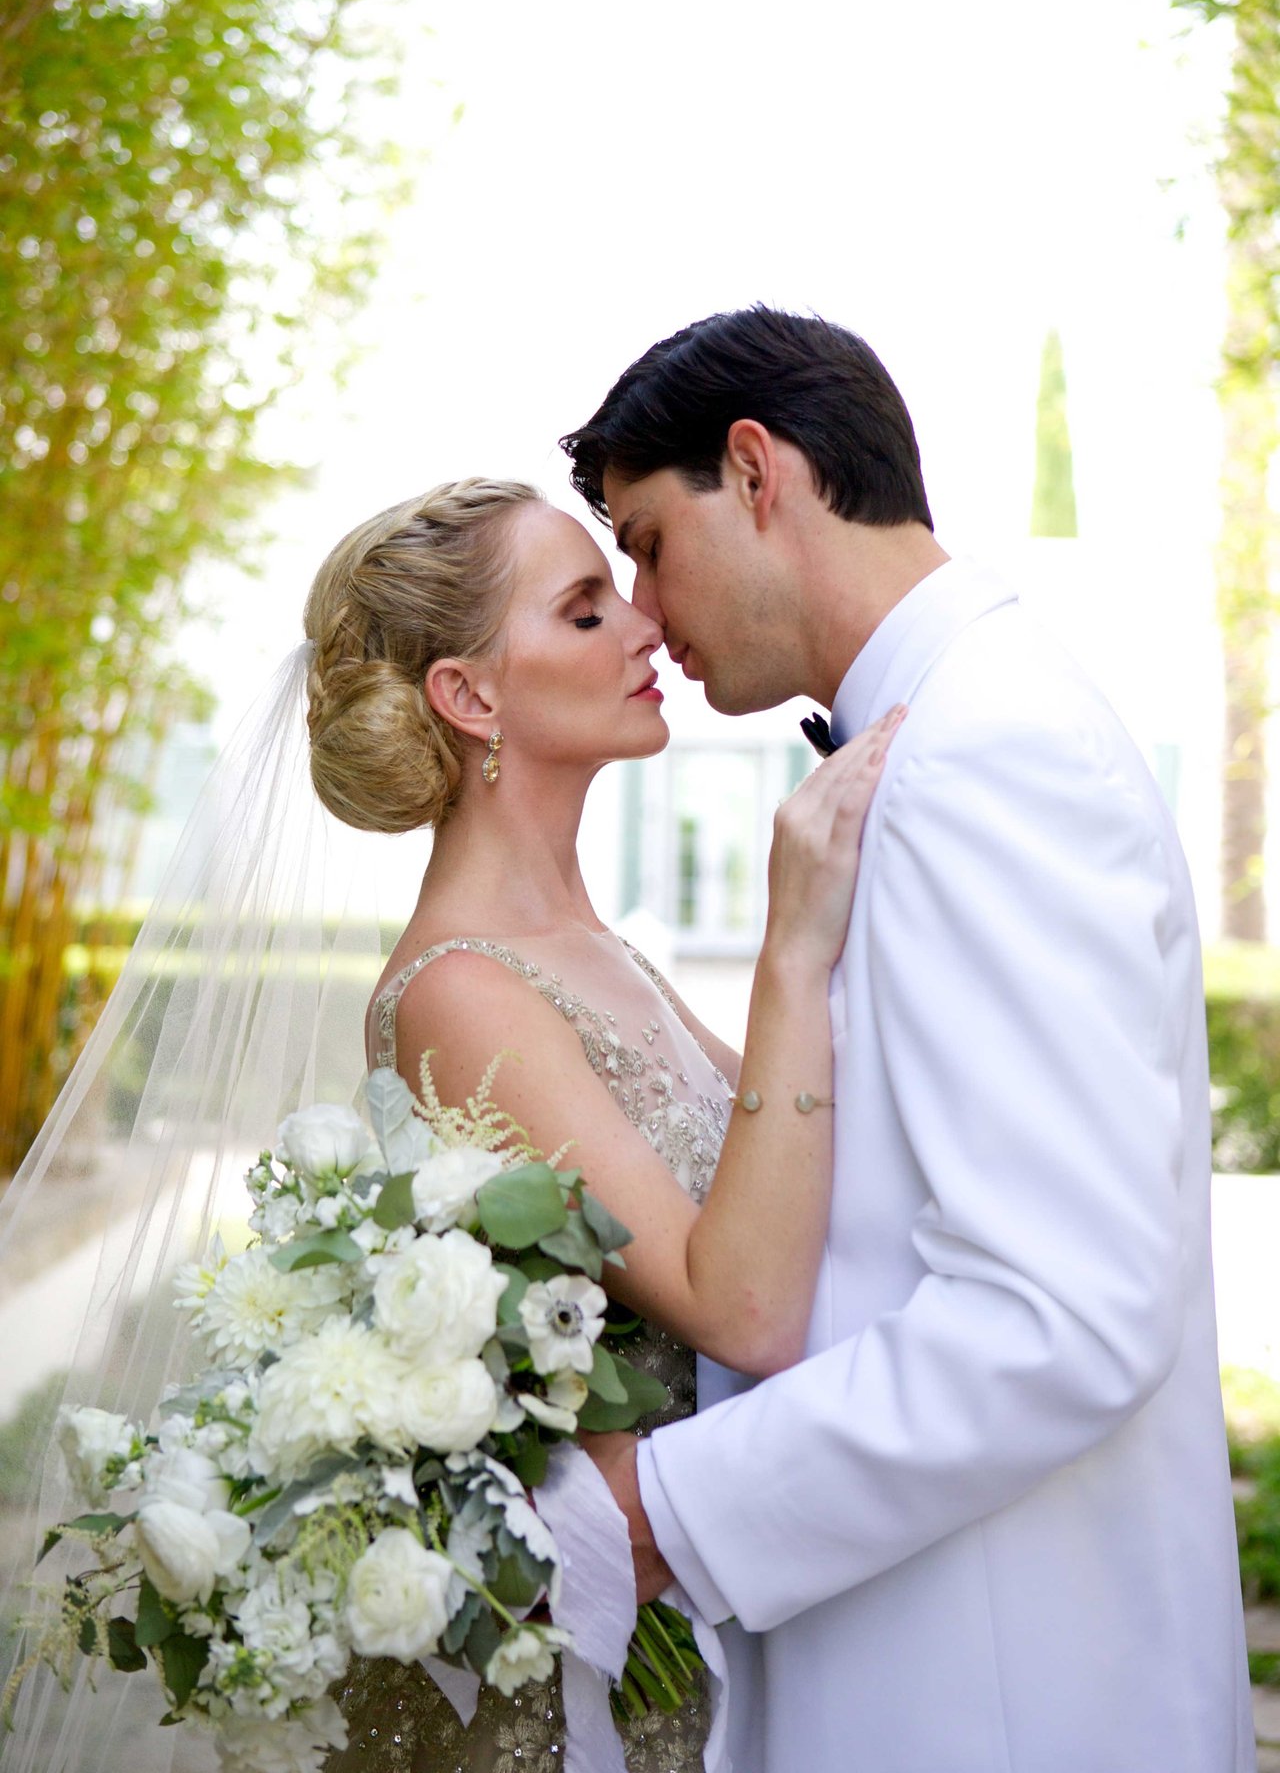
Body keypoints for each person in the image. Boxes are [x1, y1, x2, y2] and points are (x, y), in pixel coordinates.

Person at [0, 474, 897, 1773]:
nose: (647, 626)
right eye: (586, 611)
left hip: (693, 1616)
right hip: (586, 1678)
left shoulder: (598, 949)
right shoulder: (462, 994)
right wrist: (793, 936)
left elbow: (799, 1151)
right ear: (472, 696)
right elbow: (741, 1301)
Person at [559, 305, 1256, 1773]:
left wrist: (666, 1512)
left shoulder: (984, 750)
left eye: (643, 539)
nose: (640, 604)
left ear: (756, 472)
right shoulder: (940, 731)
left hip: (995, 1697)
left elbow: (1062, 1309)